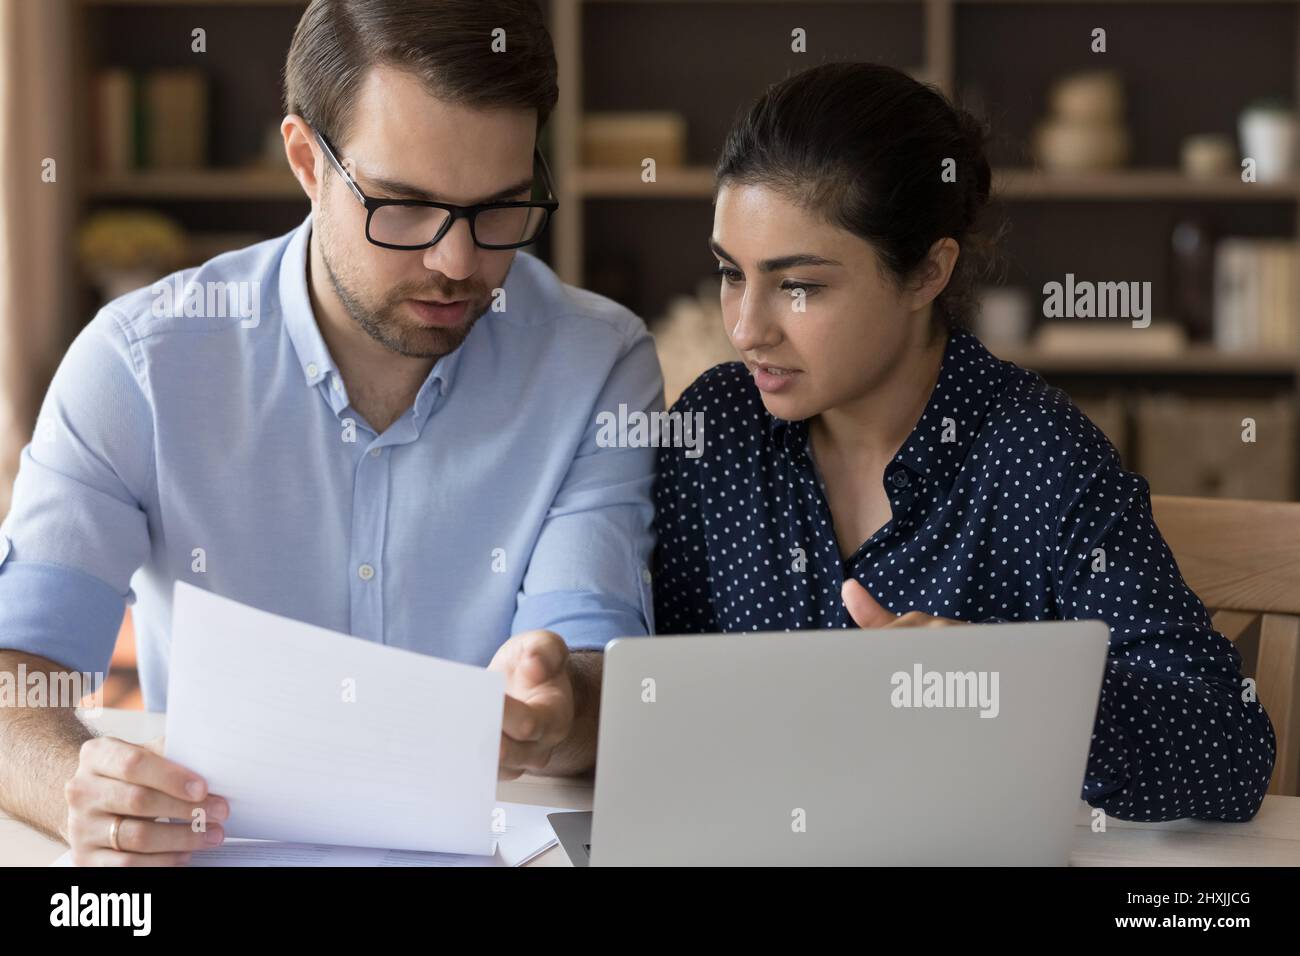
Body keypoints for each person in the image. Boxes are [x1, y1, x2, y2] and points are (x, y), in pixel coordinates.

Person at [0, 0, 661, 865]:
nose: (458, 263)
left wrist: (560, 708)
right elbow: (22, 664)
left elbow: (592, 669)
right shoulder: (141, 364)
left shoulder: (595, 364)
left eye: (499, 209)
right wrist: (75, 785)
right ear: (307, 162)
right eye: (406, 207)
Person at [651, 61, 1276, 823]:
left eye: (799, 285)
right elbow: (660, 708)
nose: (746, 328)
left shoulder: (1037, 455)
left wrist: (1013, 691)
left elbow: (1229, 752)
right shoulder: (715, 432)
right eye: (729, 273)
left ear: (926, 272)